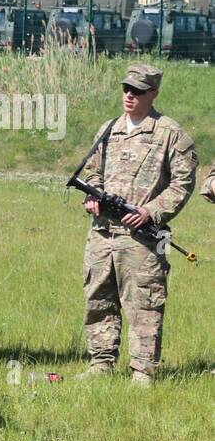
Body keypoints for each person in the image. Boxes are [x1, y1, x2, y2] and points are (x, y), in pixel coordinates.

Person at [78, 63, 197, 386]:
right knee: (98, 298)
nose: (129, 96)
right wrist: (92, 196)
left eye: (138, 91)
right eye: (126, 89)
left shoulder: (170, 134)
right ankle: (101, 363)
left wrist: (150, 211)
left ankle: (143, 371)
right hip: (102, 232)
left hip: (142, 238)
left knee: (145, 302)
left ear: (153, 94)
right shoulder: (108, 129)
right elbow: (92, 171)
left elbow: (182, 185)